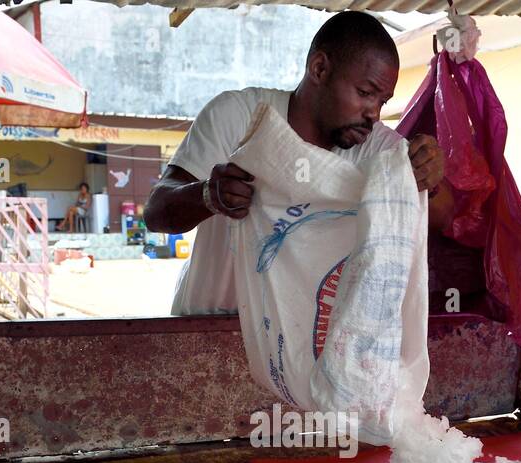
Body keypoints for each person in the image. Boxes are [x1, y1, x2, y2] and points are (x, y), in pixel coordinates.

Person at [145, 11, 449, 314]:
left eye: (381, 101)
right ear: (319, 69)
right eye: (365, 93)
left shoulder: (377, 146)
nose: (374, 113)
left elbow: (443, 214)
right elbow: (157, 213)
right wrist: (209, 195)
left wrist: (429, 174)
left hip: (301, 349)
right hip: (207, 334)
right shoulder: (237, 117)